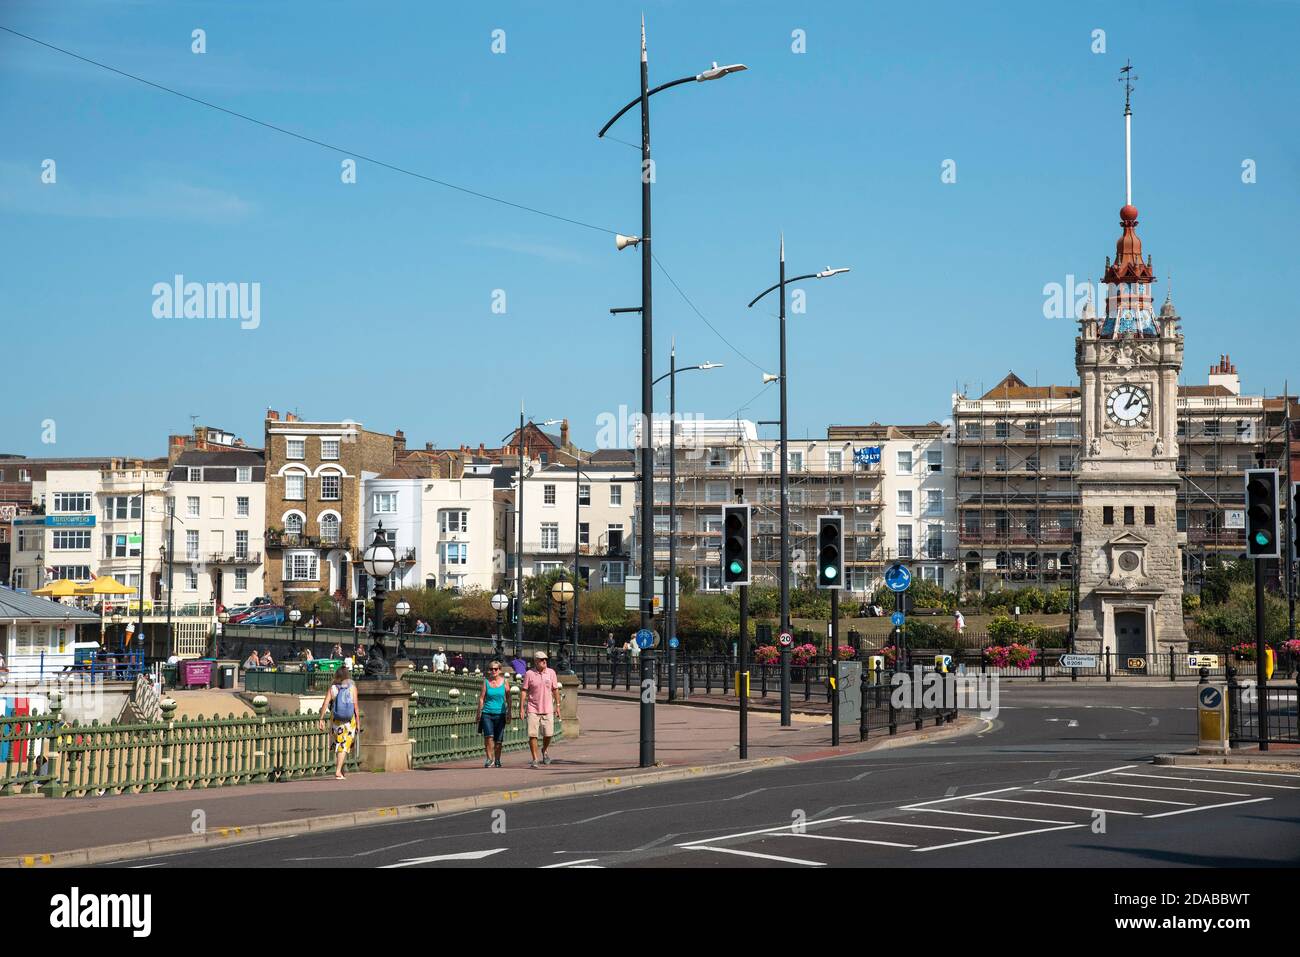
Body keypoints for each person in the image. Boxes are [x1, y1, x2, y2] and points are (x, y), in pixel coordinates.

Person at [317, 666, 359, 780]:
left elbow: (325, 704)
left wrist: (321, 719)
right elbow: (355, 707)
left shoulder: (333, 688)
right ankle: (338, 771)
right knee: (344, 745)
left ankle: (340, 769)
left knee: (338, 743)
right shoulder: (352, 688)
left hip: (335, 720)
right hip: (349, 721)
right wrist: (358, 723)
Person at [521, 651, 560, 768]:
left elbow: (555, 690)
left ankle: (545, 749)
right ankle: (535, 758)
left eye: (545, 660)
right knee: (532, 735)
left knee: (548, 734)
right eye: (542, 660)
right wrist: (522, 708)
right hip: (533, 708)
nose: (544, 661)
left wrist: (557, 706)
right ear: (536, 661)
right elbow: (524, 691)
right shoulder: (529, 674)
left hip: (547, 708)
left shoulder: (551, 673)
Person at [477, 660, 510, 768]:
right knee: (488, 737)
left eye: (495, 669)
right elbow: (482, 698)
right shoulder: (486, 682)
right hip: (487, 713)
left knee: (499, 740)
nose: (493, 671)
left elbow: (509, 698)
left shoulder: (505, 682)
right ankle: (489, 758)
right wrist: (479, 712)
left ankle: (497, 759)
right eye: (491, 669)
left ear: (500, 670)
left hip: (500, 714)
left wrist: (509, 712)